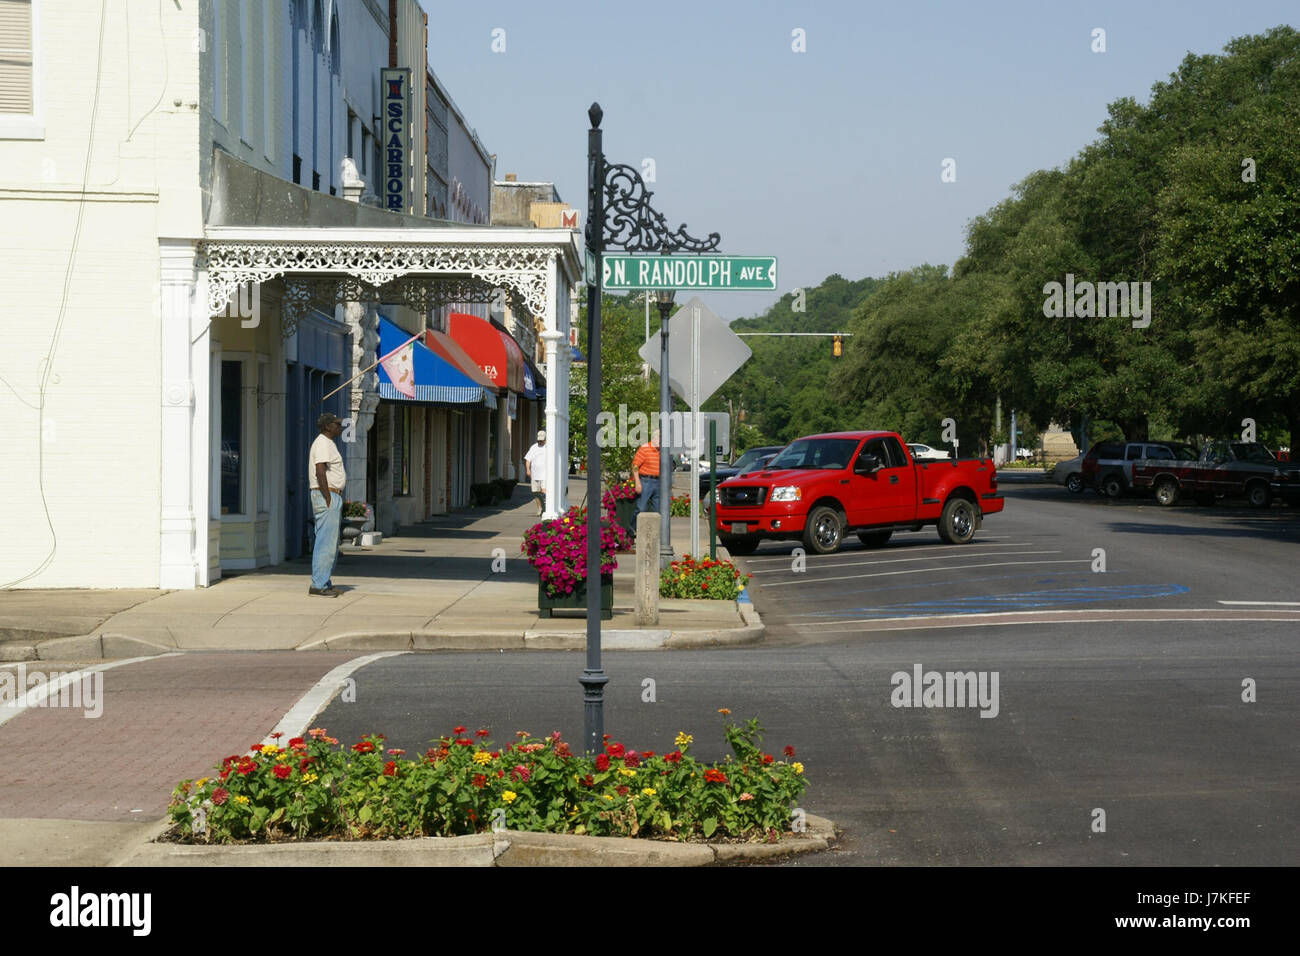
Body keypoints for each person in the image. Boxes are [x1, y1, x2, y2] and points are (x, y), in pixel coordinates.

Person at [308, 413, 346, 596]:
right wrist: (327, 497)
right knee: (325, 542)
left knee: (329, 542)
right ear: (328, 426)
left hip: (330, 493)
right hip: (327, 494)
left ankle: (324, 581)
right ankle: (319, 585)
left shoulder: (327, 443)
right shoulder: (322, 442)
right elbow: (320, 470)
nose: (339, 427)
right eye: (337, 424)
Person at [632, 429, 661, 516]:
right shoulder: (644, 449)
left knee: (657, 509)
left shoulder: (662, 451)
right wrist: (637, 482)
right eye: (660, 438)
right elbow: (635, 466)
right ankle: (633, 528)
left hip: (658, 481)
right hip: (646, 481)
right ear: (653, 439)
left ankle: (654, 529)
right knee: (641, 508)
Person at [524, 430, 547, 516]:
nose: (540, 441)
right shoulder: (533, 447)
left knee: (544, 491)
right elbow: (527, 459)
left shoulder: (548, 447)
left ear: (545, 439)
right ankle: (540, 508)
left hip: (545, 474)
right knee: (536, 492)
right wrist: (527, 469)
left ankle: (546, 508)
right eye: (539, 440)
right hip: (535, 474)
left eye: (542, 440)